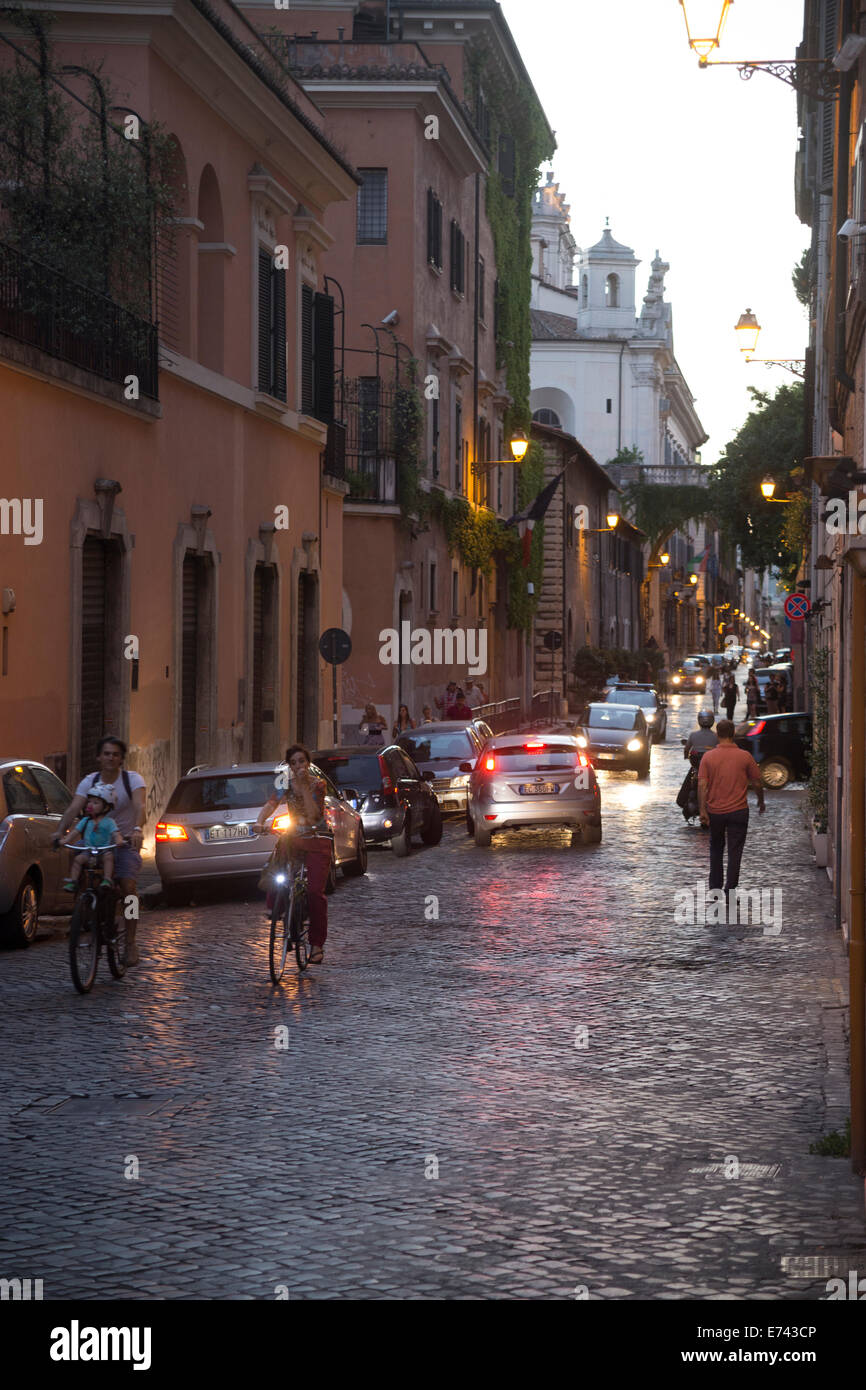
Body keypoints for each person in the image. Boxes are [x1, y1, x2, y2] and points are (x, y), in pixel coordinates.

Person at [54, 735, 146, 964]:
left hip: (122, 842)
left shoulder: (132, 780)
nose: (110, 758)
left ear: (121, 759)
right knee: (81, 874)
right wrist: (60, 831)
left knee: (129, 889)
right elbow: (74, 807)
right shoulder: (90, 781)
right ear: (98, 757)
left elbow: (140, 805)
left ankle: (131, 942)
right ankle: (87, 912)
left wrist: (136, 829)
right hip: (94, 842)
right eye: (106, 753)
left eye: (115, 754)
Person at [254, 745, 332, 965]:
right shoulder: (284, 783)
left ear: (308, 764)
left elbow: (314, 813)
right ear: (289, 765)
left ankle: (316, 944)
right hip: (294, 839)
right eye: (294, 762)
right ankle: (279, 910)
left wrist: (304, 786)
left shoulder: (318, 784)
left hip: (318, 839)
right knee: (277, 872)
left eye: (302, 761)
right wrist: (260, 821)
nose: (298, 766)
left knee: (315, 892)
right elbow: (271, 804)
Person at [698, 718, 765, 901]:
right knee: (735, 851)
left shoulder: (708, 757)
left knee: (716, 849)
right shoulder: (745, 756)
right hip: (739, 811)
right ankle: (730, 889)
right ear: (733, 733)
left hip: (716, 811)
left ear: (717, 735)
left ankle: (715, 888)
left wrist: (703, 810)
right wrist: (761, 800)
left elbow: (702, 785)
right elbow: (757, 782)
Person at [59, 782, 124, 892]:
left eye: (95, 803)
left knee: (109, 857)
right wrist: (65, 840)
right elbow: (75, 832)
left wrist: (118, 840)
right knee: (78, 860)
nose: (90, 805)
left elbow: (116, 833)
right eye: (89, 801)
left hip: (103, 851)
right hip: (88, 851)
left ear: (106, 807)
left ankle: (107, 880)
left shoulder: (109, 822)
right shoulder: (85, 821)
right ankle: (73, 881)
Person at [677, 711, 718, 822]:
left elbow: (687, 748)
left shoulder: (693, 735)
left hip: (697, 767)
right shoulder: (716, 736)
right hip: (711, 768)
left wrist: (686, 755)